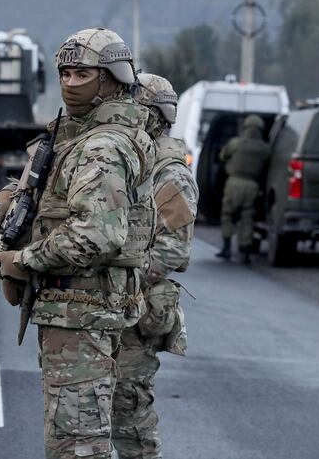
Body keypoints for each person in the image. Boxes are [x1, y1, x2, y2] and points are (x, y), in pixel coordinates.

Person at [0, 27, 156, 459]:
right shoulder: (80, 136)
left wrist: (23, 259)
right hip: (78, 313)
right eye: (64, 72)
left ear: (111, 77)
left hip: (82, 312)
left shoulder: (103, 145)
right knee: (76, 440)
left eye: (82, 73)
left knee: (77, 447)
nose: (69, 82)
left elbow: (97, 233)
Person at [111, 74, 198, 459]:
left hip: (141, 306)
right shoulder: (134, 158)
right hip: (115, 303)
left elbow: (173, 250)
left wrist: (120, 274)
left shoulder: (169, 170)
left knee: (128, 409)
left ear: (154, 115)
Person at [216, 114, 269, 263]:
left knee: (227, 215)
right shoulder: (264, 148)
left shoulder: (235, 143)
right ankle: (245, 252)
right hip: (252, 186)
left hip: (234, 183)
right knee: (247, 218)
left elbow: (222, 156)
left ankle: (226, 248)